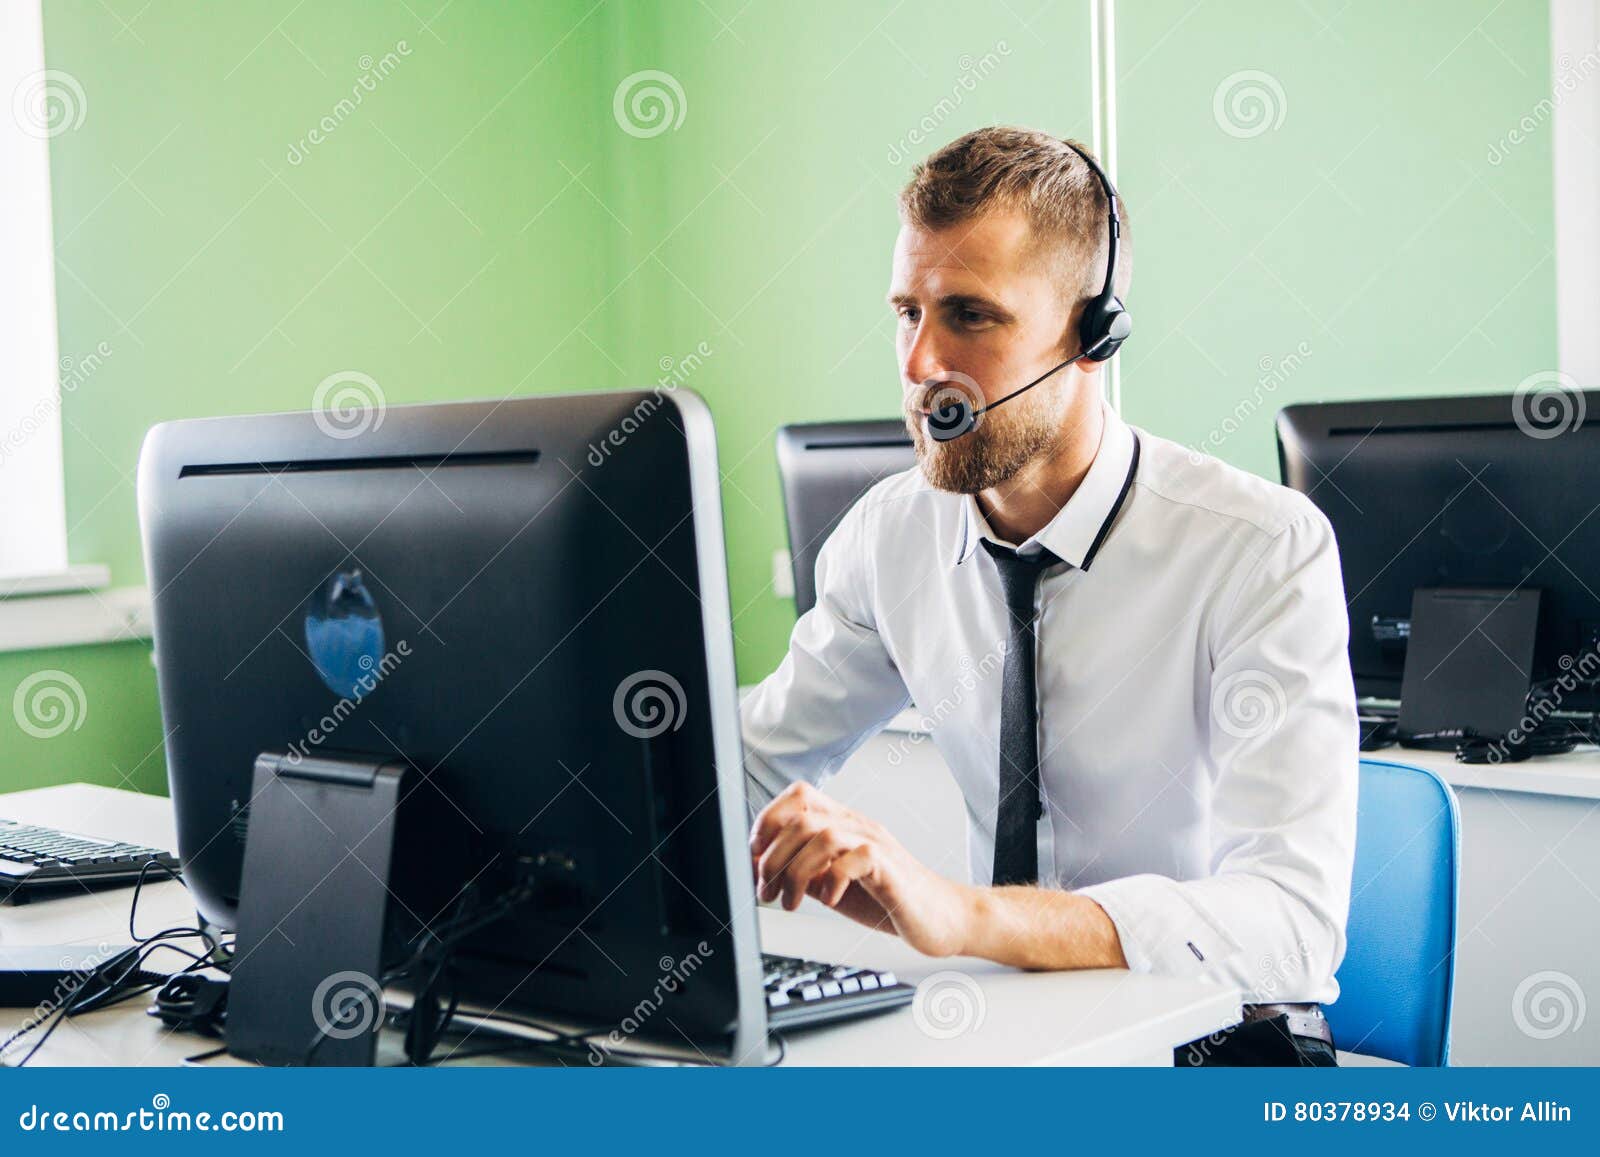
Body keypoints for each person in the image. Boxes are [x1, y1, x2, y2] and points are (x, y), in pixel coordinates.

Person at [741, 126, 1357, 1066]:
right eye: (907, 312)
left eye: (969, 317)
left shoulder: (1261, 550)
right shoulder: (890, 533)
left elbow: (1291, 928)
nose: (917, 366)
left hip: (1211, 1039)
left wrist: (968, 916)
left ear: (1091, 334)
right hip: (1008, 1031)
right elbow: (750, 764)